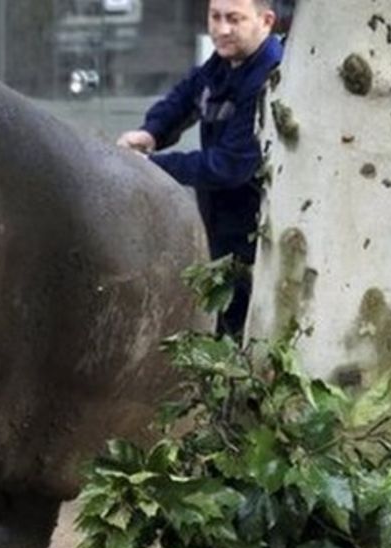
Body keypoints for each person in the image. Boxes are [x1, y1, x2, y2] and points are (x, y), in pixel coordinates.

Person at [117, 0, 282, 336]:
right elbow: (187, 96)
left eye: (234, 19)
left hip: (257, 229)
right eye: (215, 17)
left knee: (242, 324)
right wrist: (151, 132)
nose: (221, 29)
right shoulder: (225, 61)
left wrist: (151, 165)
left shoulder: (269, 74)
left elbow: (230, 167)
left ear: (266, 21)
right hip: (222, 224)